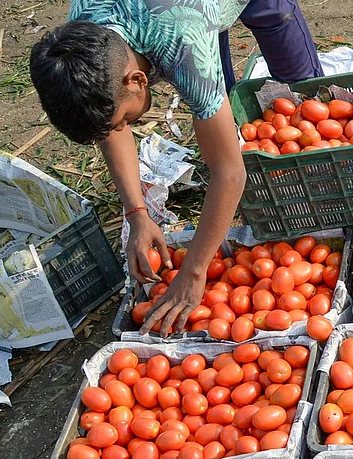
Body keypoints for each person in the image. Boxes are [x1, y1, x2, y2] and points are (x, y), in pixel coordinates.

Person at [30, 0, 323, 334]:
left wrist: (194, 272)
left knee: (274, 23)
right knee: (211, 84)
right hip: (182, 21)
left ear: (138, 79)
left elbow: (230, 172)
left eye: (124, 119)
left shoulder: (183, 43)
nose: (123, 125)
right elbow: (109, 128)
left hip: (185, 24)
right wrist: (136, 213)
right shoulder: (79, 42)